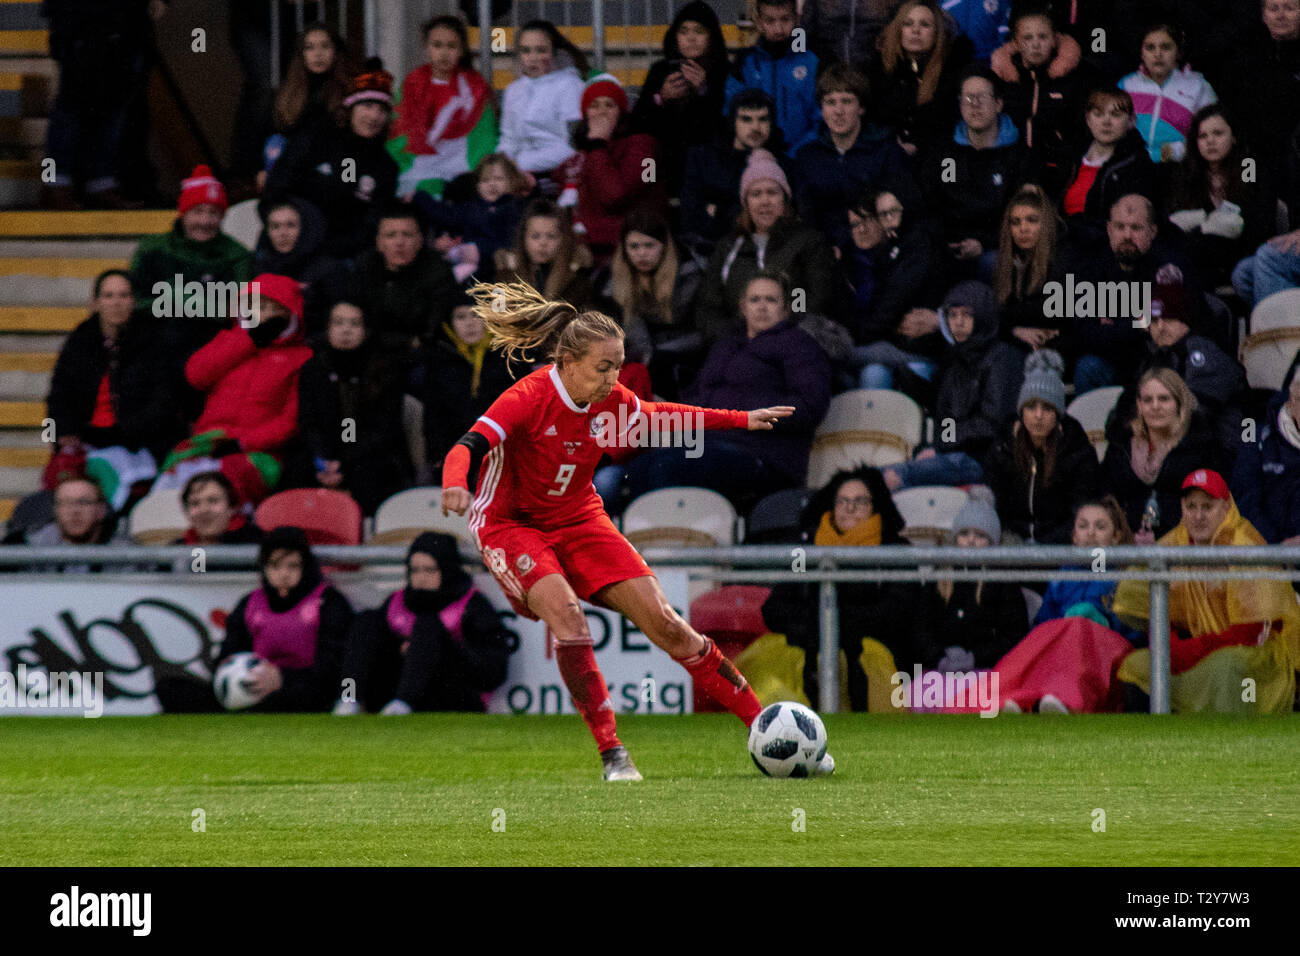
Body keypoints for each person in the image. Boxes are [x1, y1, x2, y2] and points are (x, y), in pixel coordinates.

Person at [440, 279, 819, 781]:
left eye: (617, 365)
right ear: (567, 361)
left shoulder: (610, 399)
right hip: (511, 526)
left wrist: (741, 420)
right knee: (570, 621)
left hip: (578, 518)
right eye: (603, 367)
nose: (613, 377)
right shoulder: (529, 397)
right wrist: (453, 484)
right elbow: (467, 444)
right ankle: (612, 753)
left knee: (667, 625)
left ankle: (763, 725)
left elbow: (662, 417)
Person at [624, 272, 832, 508]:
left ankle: (677, 541)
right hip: (708, 443)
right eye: (755, 300)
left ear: (785, 308)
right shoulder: (726, 345)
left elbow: (810, 406)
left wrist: (744, 411)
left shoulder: (800, 346)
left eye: (770, 300)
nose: (762, 307)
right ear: (743, 307)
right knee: (640, 469)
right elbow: (697, 396)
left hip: (765, 455)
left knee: (671, 466)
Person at [1112, 469, 1300, 714]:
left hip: (1251, 654)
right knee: (1137, 664)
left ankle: (1231, 744)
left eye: (1207, 507)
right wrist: (1171, 649)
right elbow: (1151, 609)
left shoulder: (1246, 547)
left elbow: (1250, 632)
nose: (1198, 516)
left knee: (1228, 666)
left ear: (1225, 509)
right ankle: (1158, 742)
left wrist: (1189, 653)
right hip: (1191, 651)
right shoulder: (1171, 545)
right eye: (1191, 507)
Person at [761, 466, 916, 712]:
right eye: (843, 501)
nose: (850, 508)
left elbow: (898, 612)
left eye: (860, 501)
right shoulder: (806, 549)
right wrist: (813, 629)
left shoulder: (894, 549)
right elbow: (776, 606)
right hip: (805, 646)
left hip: (871, 653)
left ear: (875, 505)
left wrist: (838, 629)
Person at [154, 274, 314, 506]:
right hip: (210, 440)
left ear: (288, 312)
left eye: (272, 307)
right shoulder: (230, 340)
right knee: (175, 479)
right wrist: (249, 339)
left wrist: (241, 443)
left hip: (260, 452)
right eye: (256, 305)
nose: (263, 313)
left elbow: (290, 422)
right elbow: (196, 375)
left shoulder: (302, 358)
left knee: (224, 482)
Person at [45, 269, 183, 511]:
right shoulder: (79, 340)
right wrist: (59, 436)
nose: (116, 303)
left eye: (124, 295)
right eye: (108, 296)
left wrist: (122, 434)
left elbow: (165, 402)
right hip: (87, 440)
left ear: (134, 301)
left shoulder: (155, 340)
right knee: (58, 474)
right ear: (96, 302)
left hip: (139, 445)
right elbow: (57, 397)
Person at [334, 532, 510, 715]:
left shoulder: (472, 605)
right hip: (394, 692)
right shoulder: (397, 601)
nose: (421, 578)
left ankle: (403, 704)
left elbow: (493, 671)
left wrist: (434, 650)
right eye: (415, 570)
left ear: (447, 569)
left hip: (452, 695)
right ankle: (348, 699)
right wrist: (404, 651)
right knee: (366, 622)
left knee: (428, 626)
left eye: (429, 570)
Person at [996, 496, 1141, 714]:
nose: (1090, 533)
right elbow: (1043, 625)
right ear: (1074, 535)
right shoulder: (1063, 575)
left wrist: (1106, 623)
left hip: (1104, 655)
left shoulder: (1126, 577)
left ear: (1116, 536)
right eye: (1083, 526)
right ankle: (1019, 699)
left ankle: (1063, 700)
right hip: (1064, 651)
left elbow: (1136, 632)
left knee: (1078, 632)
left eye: (1100, 527)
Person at [882, 281, 1023, 490]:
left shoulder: (1004, 358)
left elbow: (993, 424)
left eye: (966, 315)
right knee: (877, 476)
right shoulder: (956, 360)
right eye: (953, 315)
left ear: (983, 316)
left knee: (895, 476)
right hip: (956, 455)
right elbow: (947, 418)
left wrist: (943, 445)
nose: (958, 323)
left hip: (989, 458)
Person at [691, 149, 840, 345]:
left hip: (790, 343)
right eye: (756, 194)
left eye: (772, 192)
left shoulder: (807, 242)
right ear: (746, 203)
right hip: (737, 345)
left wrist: (776, 331)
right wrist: (736, 337)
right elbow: (709, 307)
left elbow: (809, 300)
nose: (764, 201)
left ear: (785, 200)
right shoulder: (727, 247)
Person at [260, 60, 399, 260]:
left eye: (382, 110)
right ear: (351, 108)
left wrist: (333, 251)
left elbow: (372, 223)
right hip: (287, 245)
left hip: (337, 257)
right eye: (368, 106)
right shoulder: (316, 139)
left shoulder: (384, 166)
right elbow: (277, 190)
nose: (374, 116)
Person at [1105, 281, 1248, 465]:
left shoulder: (1203, 353)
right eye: (1155, 321)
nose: (1161, 327)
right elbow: (1118, 419)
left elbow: (1195, 415)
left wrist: (1142, 423)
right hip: (1169, 456)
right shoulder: (1151, 361)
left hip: (1217, 459)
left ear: (1186, 321)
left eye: (1169, 319)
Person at [1068, 194, 1199, 392]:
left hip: (1161, 364)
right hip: (1115, 364)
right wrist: (1139, 323)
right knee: (1088, 367)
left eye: (1136, 228)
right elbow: (1083, 335)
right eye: (1120, 227)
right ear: (1109, 229)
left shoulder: (1171, 268)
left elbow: (1177, 328)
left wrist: (1116, 326)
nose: (1127, 235)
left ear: (1152, 231)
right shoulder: (1090, 268)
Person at [40, 0, 163, 209]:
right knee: (72, 106)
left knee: (116, 106)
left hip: (127, 21)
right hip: (80, 21)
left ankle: (101, 182)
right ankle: (55, 183)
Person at [215, 526, 352, 713]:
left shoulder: (327, 602)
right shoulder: (249, 604)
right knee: (174, 689)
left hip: (309, 691)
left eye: (292, 566)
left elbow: (334, 666)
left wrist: (283, 679)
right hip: (252, 686)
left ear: (305, 567)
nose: (284, 574)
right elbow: (228, 653)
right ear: (265, 568)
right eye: (275, 566)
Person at [295, 300, 412, 516]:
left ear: (365, 330)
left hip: (369, 455)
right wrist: (324, 460)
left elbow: (384, 429)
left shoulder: (383, 370)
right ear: (328, 328)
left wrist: (344, 463)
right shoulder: (313, 370)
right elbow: (308, 421)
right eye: (338, 323)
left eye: (354, 324)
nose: (346, 330)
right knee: (298, 469)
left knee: (371, 474)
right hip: (324, 457)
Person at [920, 65, 1033, 282]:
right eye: (968, 98)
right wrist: (945, 241)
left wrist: (983, 243)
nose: (975, 106)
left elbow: (1023, 215)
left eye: (982, 97)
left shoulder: (1018, 156)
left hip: (995, 247)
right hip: (949, 244)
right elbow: (930, 203)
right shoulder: (946, 154)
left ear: (998, 104)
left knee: (994, 264)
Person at [129, 165, 254, 358]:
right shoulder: (153, 248)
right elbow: (134, 301)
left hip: (211, 352)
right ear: (183, 213)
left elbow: (239, 312)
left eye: (213, 213)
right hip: (152, 348)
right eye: (198, 211)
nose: (205, 221)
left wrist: (179, 297)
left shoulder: (236, 255)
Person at [982, 349, 1101, 543]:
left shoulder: (1077, 450)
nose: (1038, 415)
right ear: (1021, 412)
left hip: (1060, 548)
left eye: (1047, 408)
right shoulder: (1002, 446)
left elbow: (1080, 513)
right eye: (1031, 407)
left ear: (1058, 413)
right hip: (1010, 545)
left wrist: (1046, 546)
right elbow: (994, 505)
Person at [794, 63, 914, 253]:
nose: (838, 111)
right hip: (824, 252)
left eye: (847, 101)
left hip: (877, 250)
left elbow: (901, 211)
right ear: (822, 110)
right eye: (830, 102)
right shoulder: (808, 157)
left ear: (861, 108)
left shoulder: (887, 152)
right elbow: (807, 217)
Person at [844, 184, 946, 392]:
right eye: (883, 214)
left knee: (830, 353)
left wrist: (846, 339)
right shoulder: (852, 261)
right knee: (872, 372)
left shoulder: (914, 247)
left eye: (867, 220)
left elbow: (890, 307)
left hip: (912, 345)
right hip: (883, 341)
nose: (861, 229)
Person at [1101, 367, 1223, 542]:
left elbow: (1212, 507)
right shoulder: (1120, 447)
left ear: (1179, 403)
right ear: (1139, 406)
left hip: (1186, 550)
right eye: (1148, 400)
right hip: (1125, 548)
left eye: (1164, 399)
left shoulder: (1201, 445)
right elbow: (1107, 502)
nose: (1155, 406)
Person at [387, 15, 497, 204]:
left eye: (451, 46)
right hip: (418, 169)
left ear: (462, 50)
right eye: (437, 45)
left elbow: (485, 137)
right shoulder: (411, 85)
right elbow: (398, 132)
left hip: (462, 173)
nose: (444, 53)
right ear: (426, 48)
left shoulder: (475, 88)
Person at [1167, 105, 1279, 290]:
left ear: (1234, 137)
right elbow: (1176, 223)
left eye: (1218, 134)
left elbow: (1254, 219)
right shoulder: (1186, 173)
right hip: (1200, 255)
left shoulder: (1248, 166)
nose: (1210, 141)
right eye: (1203, 136)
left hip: (1244, 251)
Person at [912, 495, 1027, 673]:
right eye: (964, 533)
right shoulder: (939, 576)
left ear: (992, 542)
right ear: (956, 538)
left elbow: (1013, 636)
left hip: (989, 670)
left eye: (980, 535)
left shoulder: (1003, 581)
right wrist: (939, 657)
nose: (971, 541)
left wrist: (975, 658)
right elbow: (921, 629)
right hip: (939, 669)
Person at [630, 1, 730, 199]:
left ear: (711, 36)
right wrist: (661, 98)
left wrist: (704, 93)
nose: (691, 38)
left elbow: (723, 128)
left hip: (707, 166)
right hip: (661, 166)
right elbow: (638, 125)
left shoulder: (724, 72)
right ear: (676, 37)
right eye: (684, 31)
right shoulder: (660, 71)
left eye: (699, 31)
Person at [600, 210, 703, 397]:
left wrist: (652, 354)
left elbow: (698, 332)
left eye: (649, 245)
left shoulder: (689, 277)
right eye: (634, 246)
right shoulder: (613, 281)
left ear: (664, 246)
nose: (642, 254)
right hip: (642, 353)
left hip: (684, 353)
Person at [336, 205, 460, 359]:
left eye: (407, 235)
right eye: (391, 235)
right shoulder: (364, 267)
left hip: (421, 356)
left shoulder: (438, 272)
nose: (399, 242)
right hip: (369, 352)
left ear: (420, 240)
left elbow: (433, 331)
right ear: (379, 242)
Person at [679, 89, 794, 254]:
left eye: (763, 119)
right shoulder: (702, 158)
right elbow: (690, 218)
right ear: (733, 121)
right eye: (746, 119)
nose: (756, 127)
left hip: (767, 252)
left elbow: (784, 220)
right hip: (709, 250)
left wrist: (720, 211)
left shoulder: (783, 165)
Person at [989, 8, 1092, 194]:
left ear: (1054, 41)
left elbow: (1079, 128)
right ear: (1017, 44)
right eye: (1028, 38)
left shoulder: (1070, 80)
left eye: (1043, 37)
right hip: (1010, 164)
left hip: (1056, 166)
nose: (1035, 44)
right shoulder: (1004, 80)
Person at [567, 73, 667, 263]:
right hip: (588, 244)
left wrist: (598, 145)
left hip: (628, 247)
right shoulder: (584, 153)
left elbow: (614, 195)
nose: (602, 112)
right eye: (594, 106)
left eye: (609, 105)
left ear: (621, 112)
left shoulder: (644, 146)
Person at [422, 290, 516, 481]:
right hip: (455, 451)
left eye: (476, 314)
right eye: (461, 317)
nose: (470, 323)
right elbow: (433, 416)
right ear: (450, 324)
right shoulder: (439, 361)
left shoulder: (507, 358)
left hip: (503, 451)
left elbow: (519, 412)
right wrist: (440, 455)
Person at [867, 0, 973, 159]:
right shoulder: (877, 71)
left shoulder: (952, 73)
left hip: (939, 160)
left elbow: (949, 128)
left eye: (924, 24)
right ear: (898, 30)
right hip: (886, 157)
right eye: (908, 24)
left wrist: (918, 144)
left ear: (937, 32)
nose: (915, 31)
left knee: (949, 173)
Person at [260, 22, 357, 189]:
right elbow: (275, 134)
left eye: (325, 46)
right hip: (296, 169)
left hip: (337, 168)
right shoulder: (287, 94)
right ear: (302, 54)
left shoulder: (350, 92)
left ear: (336, 52)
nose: (318, 54)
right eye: (310, 48)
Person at [495, 20, 588, 192]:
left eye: (541, 50)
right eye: (526, 51)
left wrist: (520, 164)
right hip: (517, 170)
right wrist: (501, 167)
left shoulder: (570, 85)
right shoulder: (513, 90)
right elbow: (508, 139)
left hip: (558, 172)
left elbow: (572, 146)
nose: (533, 57)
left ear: (554, 53)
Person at [1059, 88, 1158, 247]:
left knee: (1071, 269)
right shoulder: (1071, 155)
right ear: (1088, 119)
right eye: (1098, 114)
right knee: (1064, 270)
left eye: (1116, 115)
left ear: (1132, 121)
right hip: (1066, 243)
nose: (1106, 122)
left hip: (1104, 249)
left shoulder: (1138, 164)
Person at [724, 0, 821, 154]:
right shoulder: (745, 62)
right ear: (759, 22)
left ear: (797, 19)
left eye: (785, 19)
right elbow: (731, 114)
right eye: (770, 21)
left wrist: (795, 155)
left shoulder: (811, 62)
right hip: (752, 157)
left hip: (801, 158)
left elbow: (820, 120)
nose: (778, 29)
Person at [1119, 22, 1217, 164]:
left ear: (1178, 52)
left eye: (1165, 47)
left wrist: (1170, 153)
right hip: (1130, 165)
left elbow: (1211, 133)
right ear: (1141, 53)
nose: (1157, 54)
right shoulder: (1127, 85)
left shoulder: (1198, 87)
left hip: (1179, 167)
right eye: (1150, 47)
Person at [424, 152, 528, 284]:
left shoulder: (516, 208)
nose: (492, 184)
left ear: (512, 181)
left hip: (499, 272)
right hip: (470, 270)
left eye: (499, 179)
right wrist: (420, 198)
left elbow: (511, 241)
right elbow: (446, 216)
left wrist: (479, 249)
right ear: (478, 185)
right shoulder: (471, 207)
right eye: (485, 180)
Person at [993, 184, 1069, 353]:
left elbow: (1050, 311)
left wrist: (1011, 321)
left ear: (1045, 224)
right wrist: (1016, 331)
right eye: (1016, 222)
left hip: (1053, 345)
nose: (1023, 229)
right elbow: (992, 314)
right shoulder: (1005, 263)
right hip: (1015, 342)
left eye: (1032, 220)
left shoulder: (1061, 259)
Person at [1231, 361, 1300, 544]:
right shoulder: (1254, 435)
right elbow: (1244, 499)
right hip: (1269, 556)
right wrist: (1278, 545)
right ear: (1291, 401)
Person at [6, 476, 129, 572]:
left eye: (84, 502)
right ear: (56, 510)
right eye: (66, 503)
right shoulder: (26, 550)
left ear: (101, 510)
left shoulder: (127, 554)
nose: (74, 511)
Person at [493, 198, 595, 309]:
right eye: (535, 236)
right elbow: (496, 317)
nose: (543, 243)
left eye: (551, 236)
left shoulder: (576, 281)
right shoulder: (505, 278)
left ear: (564, 239)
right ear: (523, 239)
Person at [175, 470, 263, 545]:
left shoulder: (257, 544)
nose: (204, 510)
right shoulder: (175, 552)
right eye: (195, 503)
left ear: (232, 507)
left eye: (213, 501)